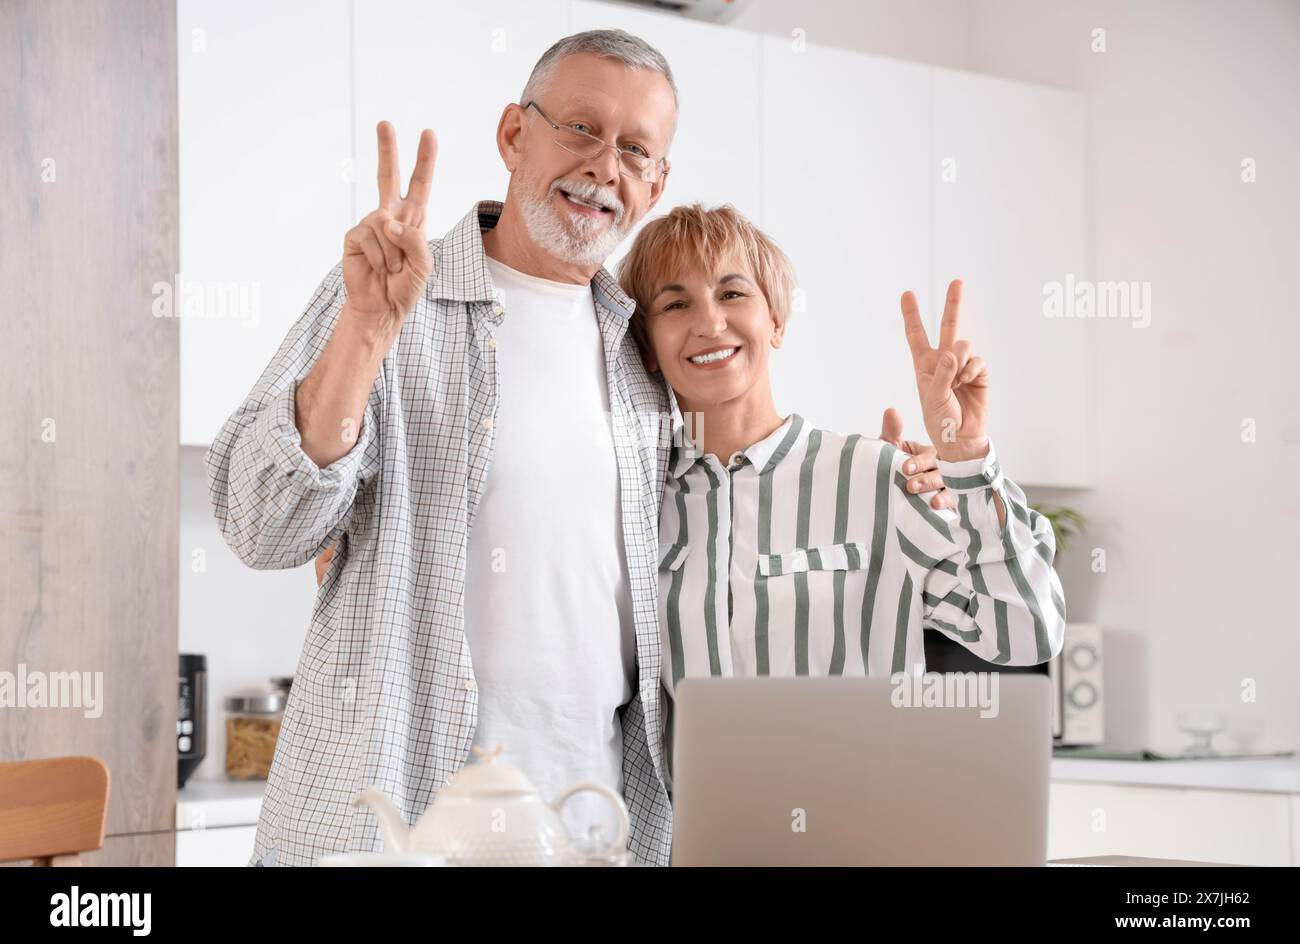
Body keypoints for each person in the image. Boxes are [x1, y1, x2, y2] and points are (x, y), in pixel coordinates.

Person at [208, 30, 948, 867]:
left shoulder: (640, 348)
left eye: (636, 149)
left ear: (656, 183)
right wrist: (363, 336)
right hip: (395, 830)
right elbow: (261, 525)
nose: (606, 166)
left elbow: (729, 501)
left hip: (593, 832)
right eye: (582, 129)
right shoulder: (386, 293)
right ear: (515, 136)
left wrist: (917, 478)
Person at [614, 203, 1067, 783]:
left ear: (776, 320)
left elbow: (1027, 634)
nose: (709, 322)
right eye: (675, 304)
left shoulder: (878, 479)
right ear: (648, 347)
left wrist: (966, 454)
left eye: (732, 294)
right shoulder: (634, 502)